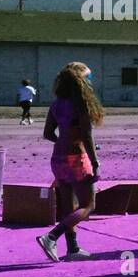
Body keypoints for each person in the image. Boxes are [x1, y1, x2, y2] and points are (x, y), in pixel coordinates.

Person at [36, 63, 103, 262]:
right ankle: (51, 237)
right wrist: (95, 161)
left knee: (68, 206)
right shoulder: (81, 104)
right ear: (82, 81)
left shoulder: (56, 104)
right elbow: (87, 136)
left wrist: (63, 141)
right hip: (77, 158)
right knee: (88, 205)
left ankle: (73, 248)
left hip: (58, 158)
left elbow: (48, 133)